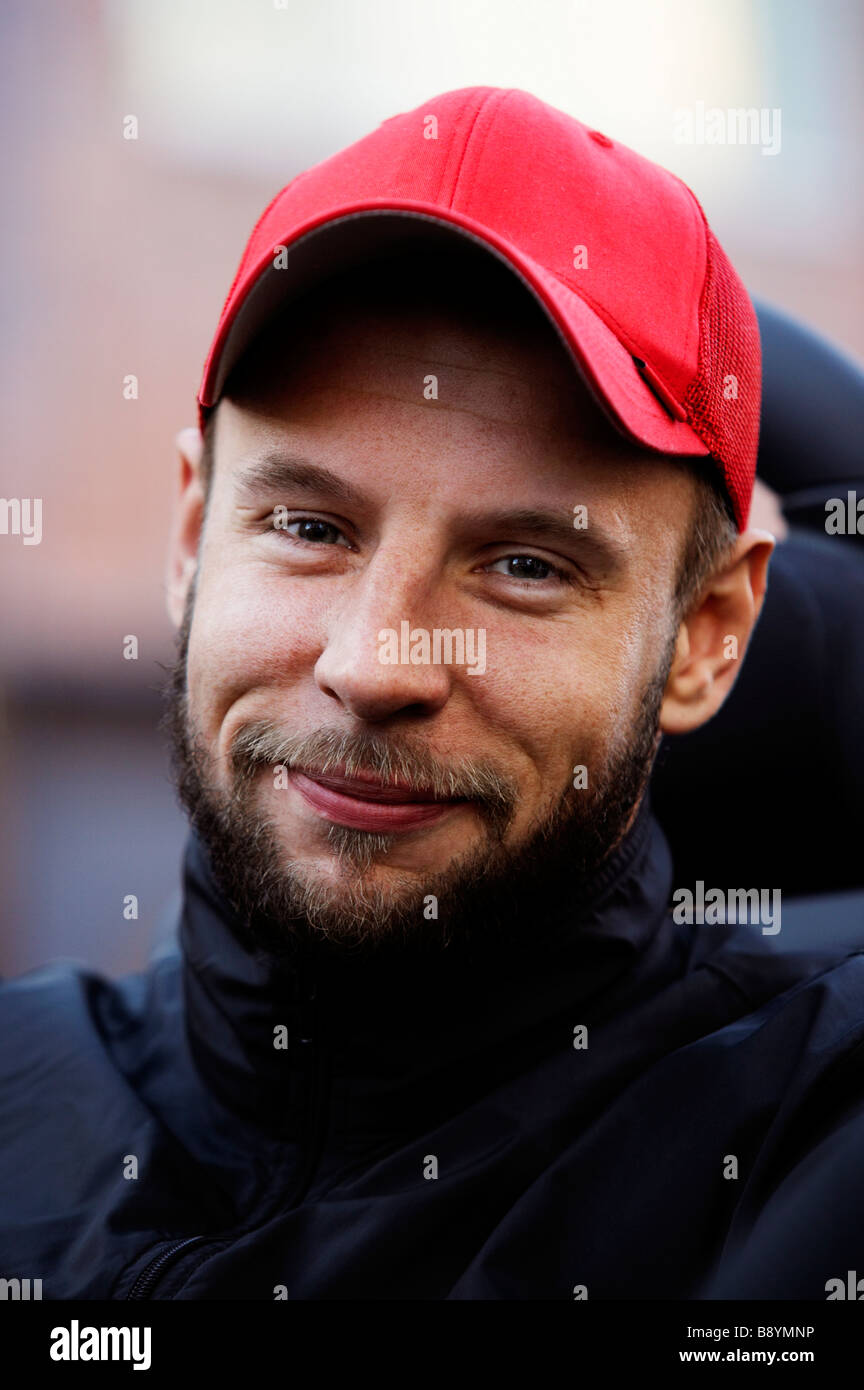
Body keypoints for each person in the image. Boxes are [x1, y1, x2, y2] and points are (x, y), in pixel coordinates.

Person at [1, 86, 863, 1302]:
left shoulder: (800, 1144)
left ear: (704, 637)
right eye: (309, 525)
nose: (370, 664)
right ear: (194, 534)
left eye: (524, 564)